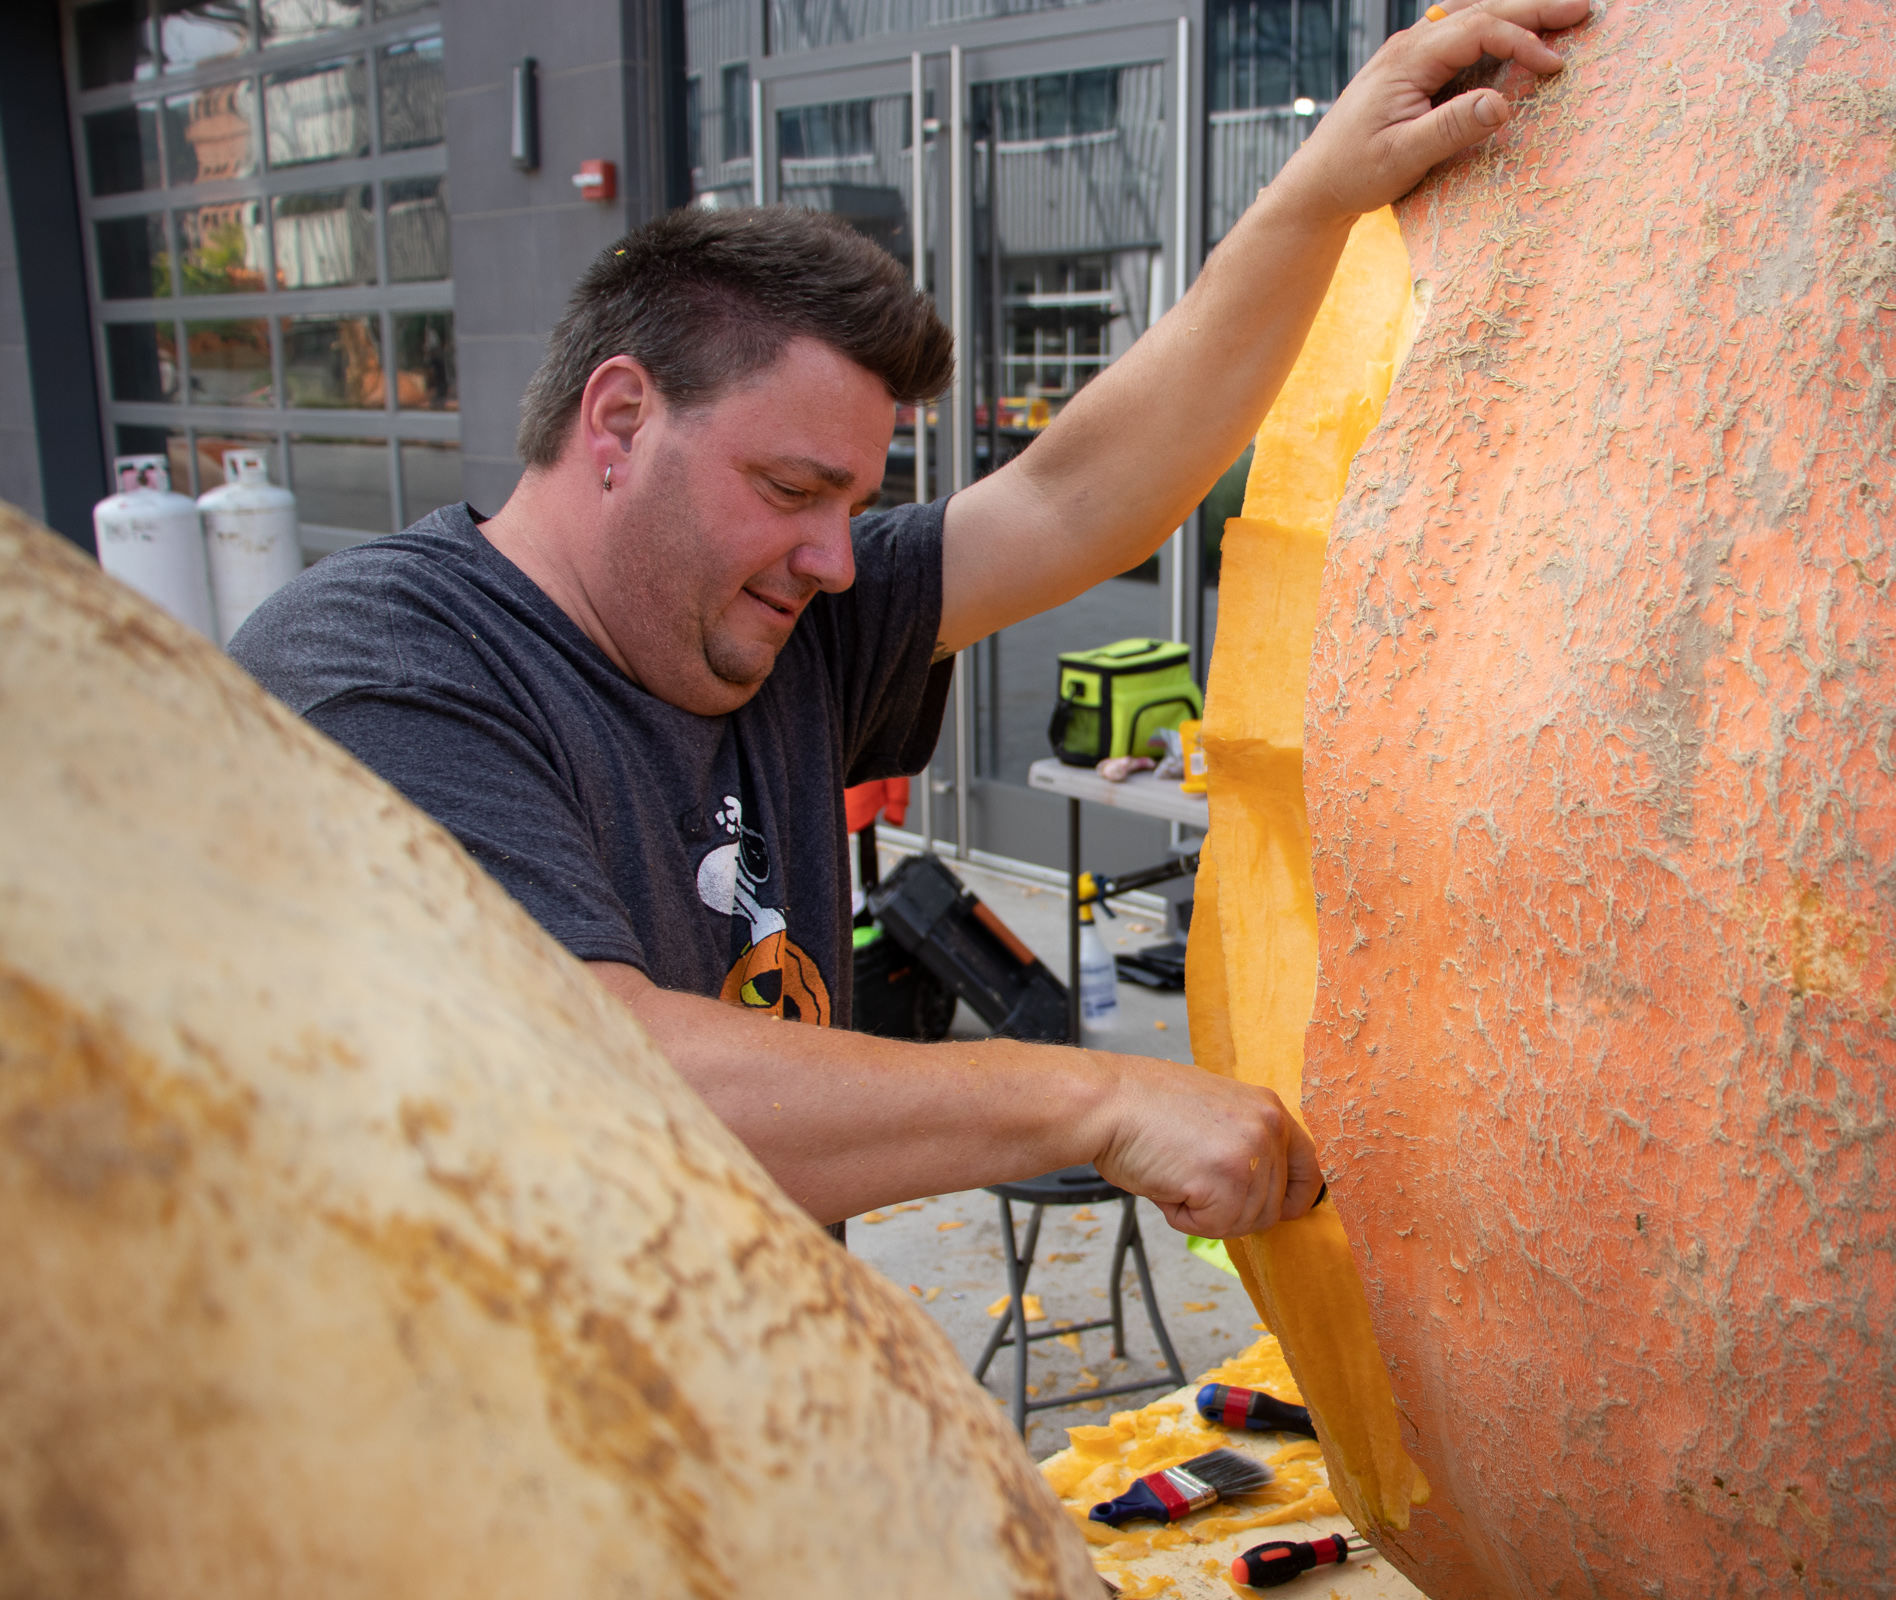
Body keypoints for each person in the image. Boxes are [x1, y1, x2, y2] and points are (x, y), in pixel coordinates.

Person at [233, 0, 1589, 1239]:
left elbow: (1074, 498)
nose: (835, 560)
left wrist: (1319, 197)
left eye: (857, 504)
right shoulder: (372, 669)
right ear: (620, 420)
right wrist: (1090, 1099)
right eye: (790, 490)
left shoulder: (780, 622)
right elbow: (589, 1072)